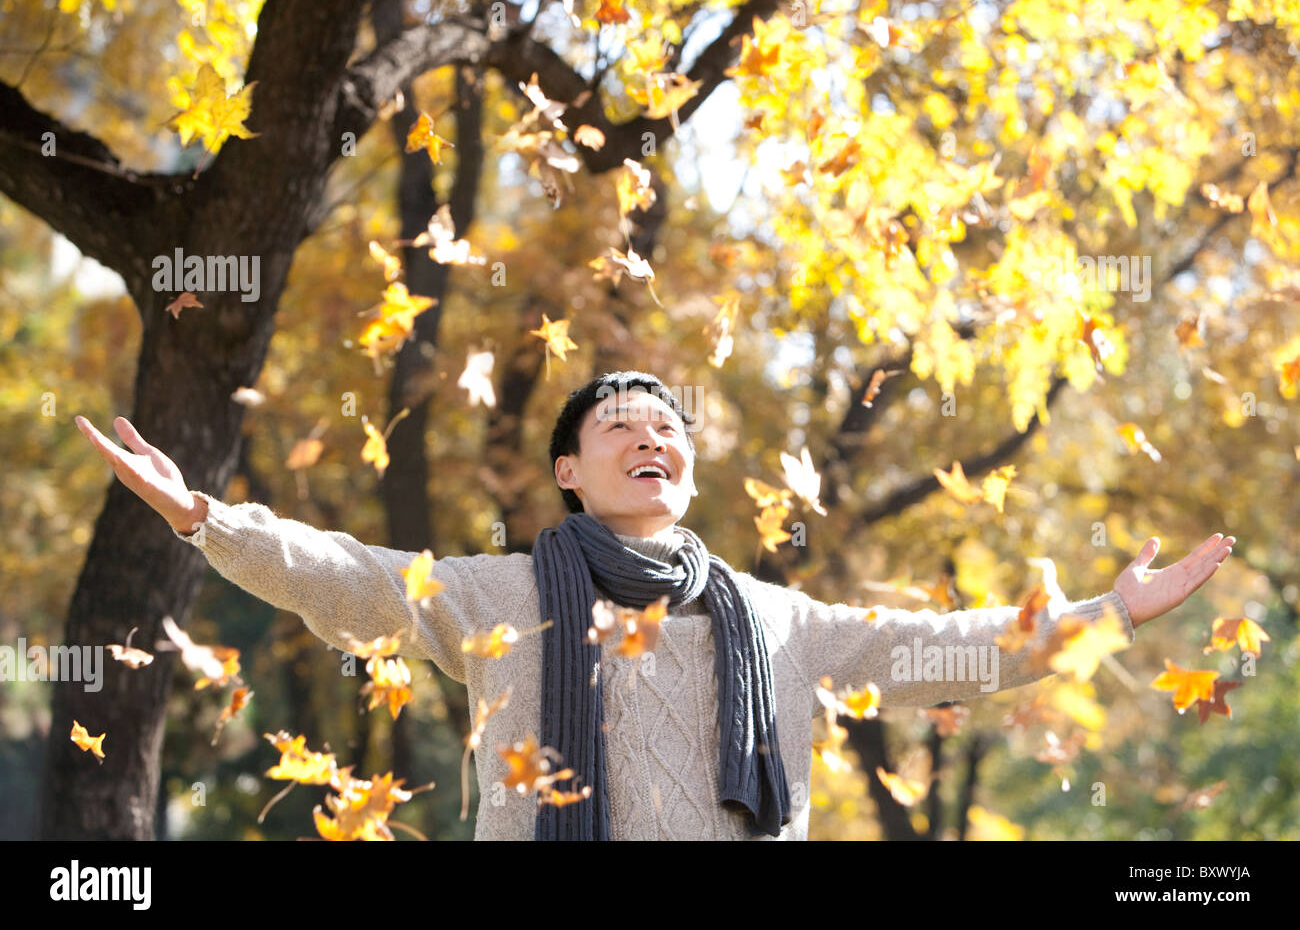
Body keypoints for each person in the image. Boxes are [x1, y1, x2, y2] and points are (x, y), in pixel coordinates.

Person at [74, 370, 1235, 840]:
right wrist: (202, 519)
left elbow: (950, 648)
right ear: (569, 469)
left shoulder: (775, 620)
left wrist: (1109, 611)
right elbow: (348, 578)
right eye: (619, 422)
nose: (651, 432)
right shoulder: (502, 594)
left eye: (666, 422)